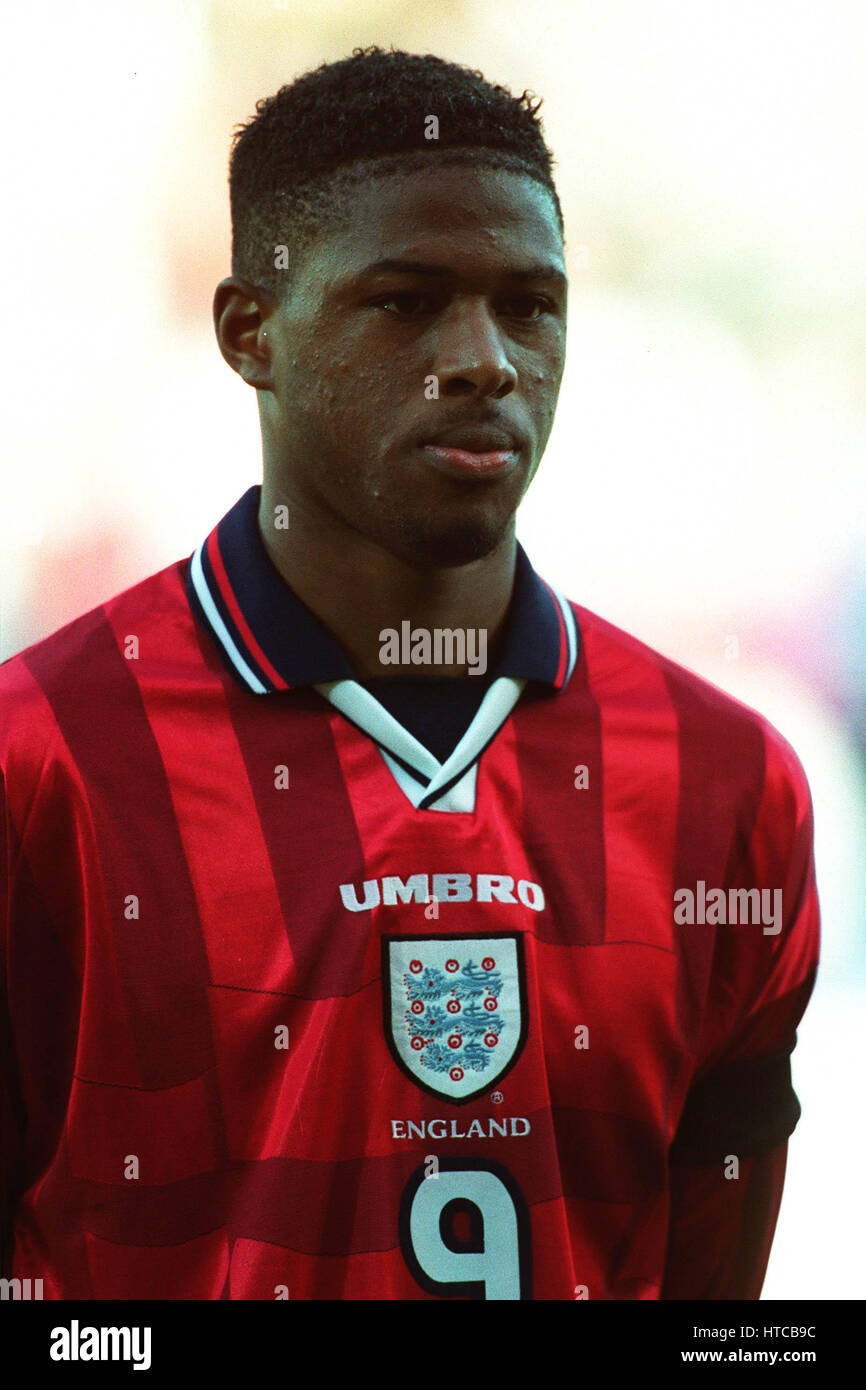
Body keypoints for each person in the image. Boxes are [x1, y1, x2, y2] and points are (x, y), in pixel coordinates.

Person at [0, 46, 819, 1301]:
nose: (484, 359)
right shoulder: (43, 755)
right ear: (249, 331)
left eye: (529, 304)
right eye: (405, 299)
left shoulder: (727, 784)